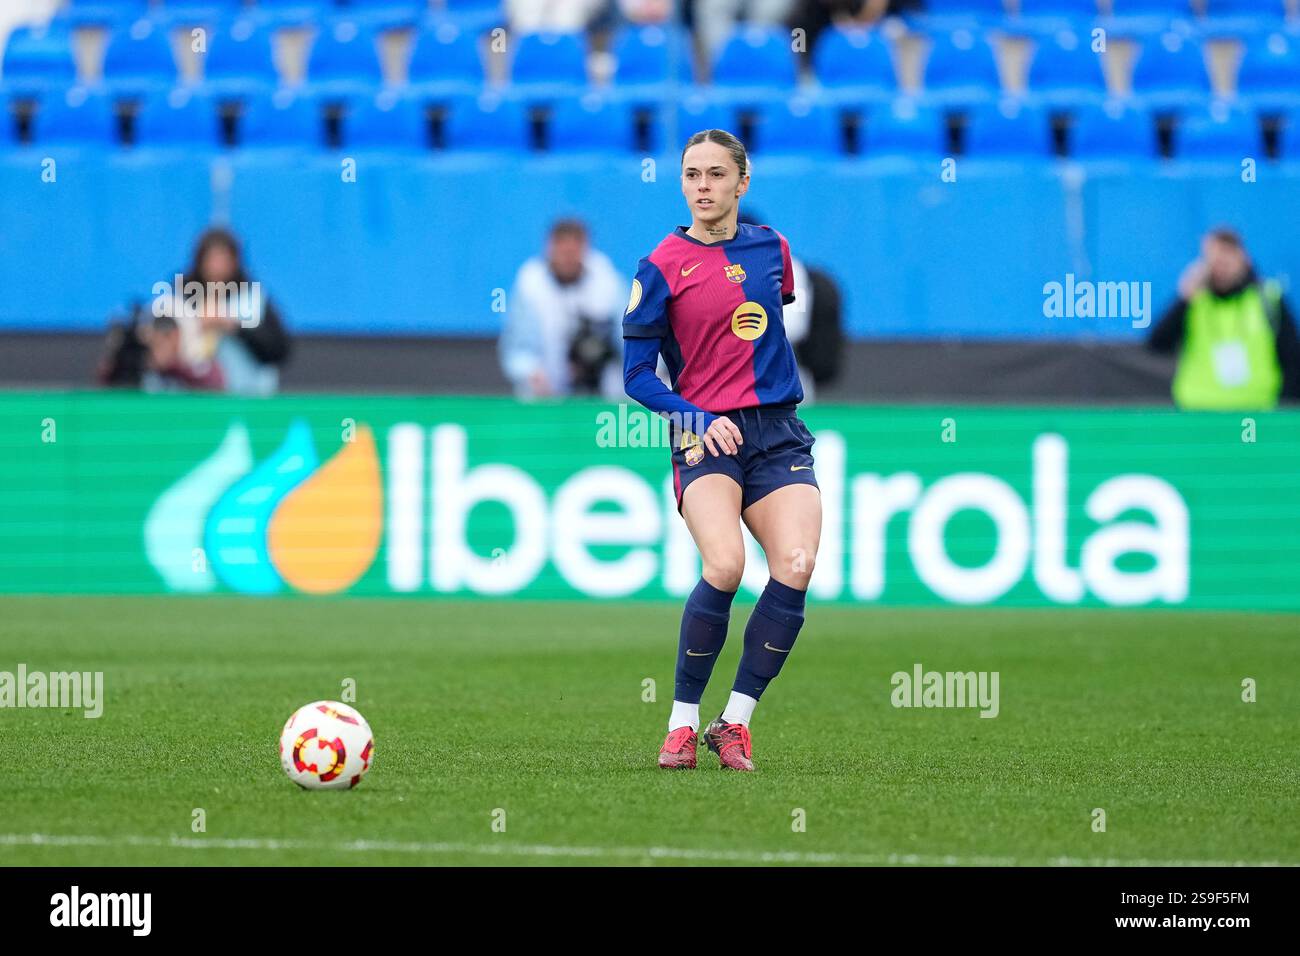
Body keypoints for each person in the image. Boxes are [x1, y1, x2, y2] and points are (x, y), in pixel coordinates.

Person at [623, 128, 821, 772]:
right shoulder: (659, 267)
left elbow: (760, 330)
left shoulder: (775, 251)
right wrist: (695, 415)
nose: (702, 187)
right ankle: (681, 725)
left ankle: (733, 722)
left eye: (715, 174)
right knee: (727, 566)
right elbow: (637, 375)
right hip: (704, 436)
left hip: (777, 433)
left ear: (742, 181)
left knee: (794, 559)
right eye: (691, 175)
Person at [1148, 227, 1300, 410]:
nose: (1221, 267)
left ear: (1243, 258)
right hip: (1199, 411)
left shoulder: (1268, 298)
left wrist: (1283, 407)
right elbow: (1157, 343)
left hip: (1257, 412)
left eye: (1227, 258)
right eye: (1215, 260)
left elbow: (1292, 358)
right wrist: (1183, 298)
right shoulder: (1195, 300)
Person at [499, 218, 628, 400]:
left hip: (605, 382)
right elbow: (516, 347)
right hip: (548, 385)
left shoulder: (608, 283)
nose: (568, 257)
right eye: (562, 250)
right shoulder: (530, 286)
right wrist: (530, 372)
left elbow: (630, 335)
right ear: (549, 248)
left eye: (574, 250)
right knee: (528, 391)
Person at [175, 228, 291, 397]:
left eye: (223, 260)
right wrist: (193, 325)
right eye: (211, 260)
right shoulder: (180, 298)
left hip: (246, 398)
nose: (217, 267)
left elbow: (277, 349)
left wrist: (235, 326)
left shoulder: (252, 298)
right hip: (191, 400)